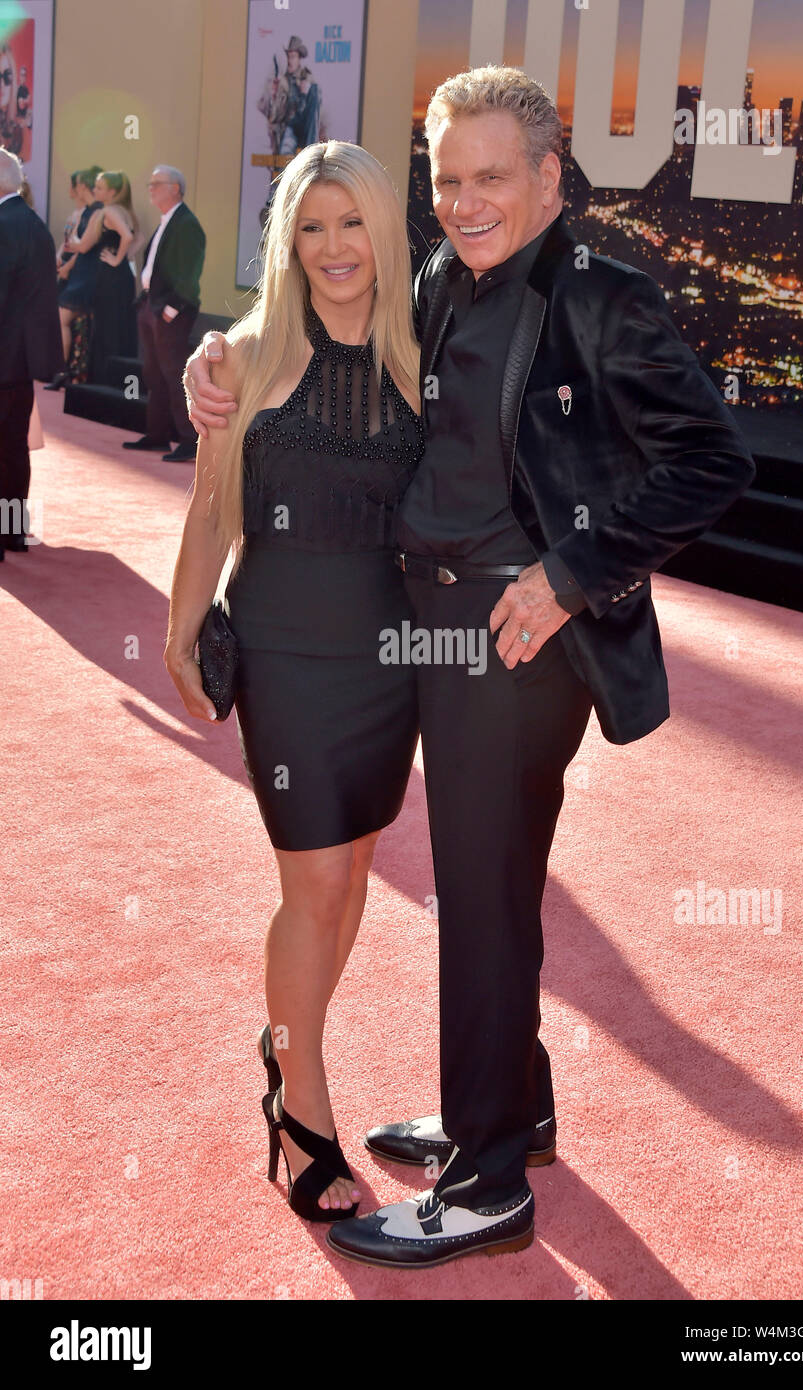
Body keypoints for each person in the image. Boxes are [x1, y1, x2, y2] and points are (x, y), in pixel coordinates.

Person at [183, 66, 757, 1267]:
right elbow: (319, 327)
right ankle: (514, 1109)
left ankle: (489, 1177)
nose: (463, 199)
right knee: (485, 893)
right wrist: (213, 361)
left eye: (491, 176)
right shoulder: (447, 275)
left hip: (517, 640)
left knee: (482, 904)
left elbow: (711, 458)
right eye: (446, 179)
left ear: (549, 177)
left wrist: (565, 573)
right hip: (427, 634)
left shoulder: (602, 296)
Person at [164, 141, 423, 1221]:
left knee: (354, 873)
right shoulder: (248, 354)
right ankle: (299, 1107)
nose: (333, 248)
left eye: (351, 223)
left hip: (390, 654)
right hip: (283, 648)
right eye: (309, 227)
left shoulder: (423, 353)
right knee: (311, 885)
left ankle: (288, 1037)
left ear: (380, 231)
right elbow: (215, 506)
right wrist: (178, 626)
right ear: (287, 241)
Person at [0, 146, 63, 561]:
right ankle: (12, 533)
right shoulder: (33, 222)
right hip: (19, 360)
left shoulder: (5, 224)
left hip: (4, 356)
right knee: (13, 446)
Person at [124, 166, 205, 462]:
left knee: (174, 375)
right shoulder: (167, 222)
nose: (150, 188)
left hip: (169, 311)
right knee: (154, 374)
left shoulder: (187, 224)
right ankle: (157, 435)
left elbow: (189, 271)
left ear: (175, 188)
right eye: (150, 183)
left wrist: (171, 309)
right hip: (151, 307)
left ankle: (189, 440)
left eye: (156, 184)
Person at [49, 166, 103, 388]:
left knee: (62, 320)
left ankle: (62, 370)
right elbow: (76, 245)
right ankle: (70, 371)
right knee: (75, 324)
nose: (75, 189)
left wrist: (68, 264)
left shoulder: (97, 211)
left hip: (86, 275)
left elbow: (84, 246)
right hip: (78, 272)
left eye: (79, 184)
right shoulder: (91, 211)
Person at [88, 169, 138, 384]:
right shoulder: (125, 211)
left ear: (112, 192)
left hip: (111, 277)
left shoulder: (110, 211)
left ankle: (105, 380)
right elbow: (138, 236)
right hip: (121, 277)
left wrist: (117, 259)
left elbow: (127, 236)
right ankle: (119, 380)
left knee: (107, 324)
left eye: (99, 187)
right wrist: (126, 257)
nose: (94, 190)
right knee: (120, 324)